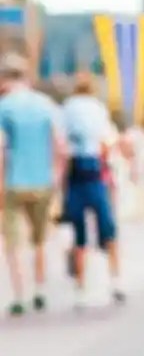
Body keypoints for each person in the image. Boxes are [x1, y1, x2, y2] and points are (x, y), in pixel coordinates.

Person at [0, 52, 63, 316]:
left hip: (14, 182)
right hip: (43, 181)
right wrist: (57, 177)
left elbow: (1, 149)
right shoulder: (46, 104)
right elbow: (60, 144)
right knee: (40, 239)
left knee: (14, 242)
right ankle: (40, 290)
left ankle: (19, 295)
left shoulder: (4, 107)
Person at [61, 72, 127, 307]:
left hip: (75, 173)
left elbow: (61, 146)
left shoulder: (67, 109)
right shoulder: (98, 108)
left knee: (78, 235)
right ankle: (116, 281)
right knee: (108, 231)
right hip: (96, 172)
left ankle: (80, 287)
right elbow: (107, 143)